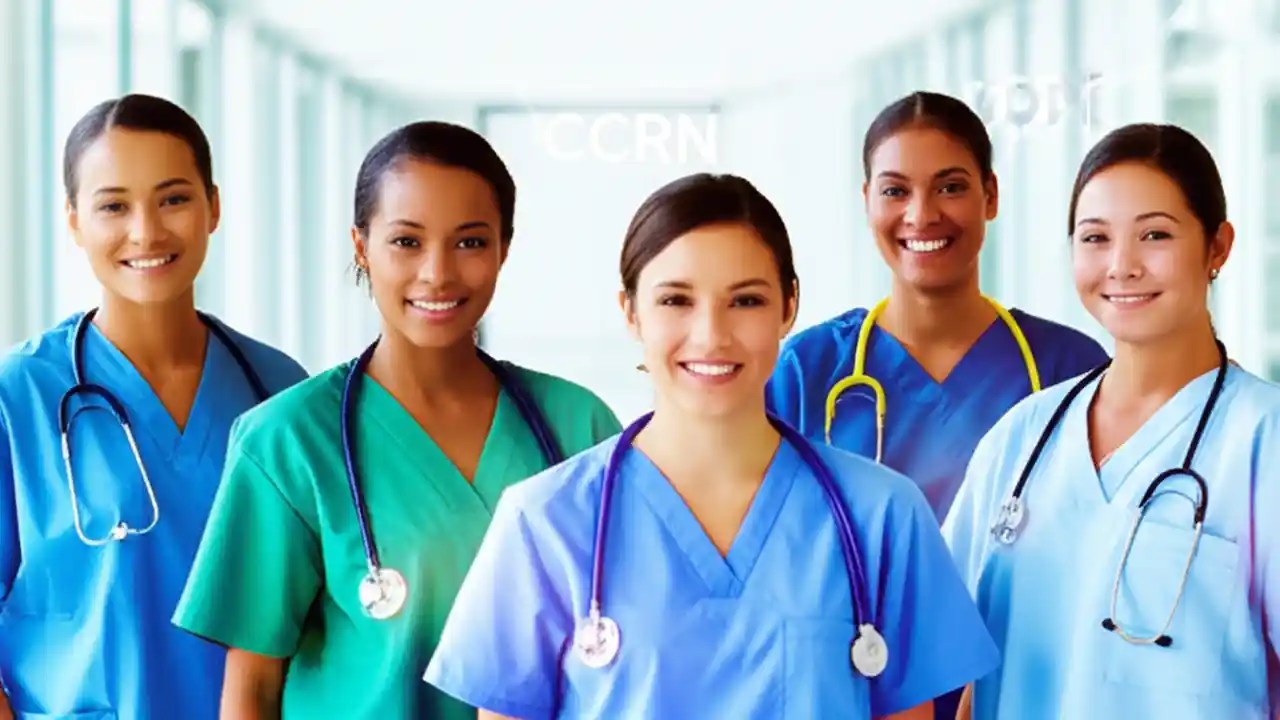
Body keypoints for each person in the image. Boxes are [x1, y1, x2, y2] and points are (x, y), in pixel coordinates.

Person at [422, 172, 1001, 719]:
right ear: (630, 312)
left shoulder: (880, 515)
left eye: (745, 300)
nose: (711, 335)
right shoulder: (547, 521)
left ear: (789, 306)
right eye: (676, 301)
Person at [171, 120, 622, 719]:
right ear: (361, 245)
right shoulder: (287, 442)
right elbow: (251, 690)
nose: (437, 273)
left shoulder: (577, 427)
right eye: (407, 242)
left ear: (504, 249)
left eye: (470, 242)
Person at [943, 123, 1280, 719]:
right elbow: (970, 664)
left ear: (1218, 247)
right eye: (1095, 238)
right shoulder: (1021, 438)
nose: (1121, 266)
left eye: (1154, 235)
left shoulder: (1261, 440)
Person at [0, 94, 307, 720]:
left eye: (174, 198)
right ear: (74, 220)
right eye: (113, 205)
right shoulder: (19, 396)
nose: (146, 231)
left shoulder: (278, 389)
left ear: (213, 207)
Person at [766, 90, 1109, 524]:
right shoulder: (806, 371)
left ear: (991, 195)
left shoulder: (1069, 368)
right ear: (867, 200)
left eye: (950, 187)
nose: (922, 214)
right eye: (895, 191)